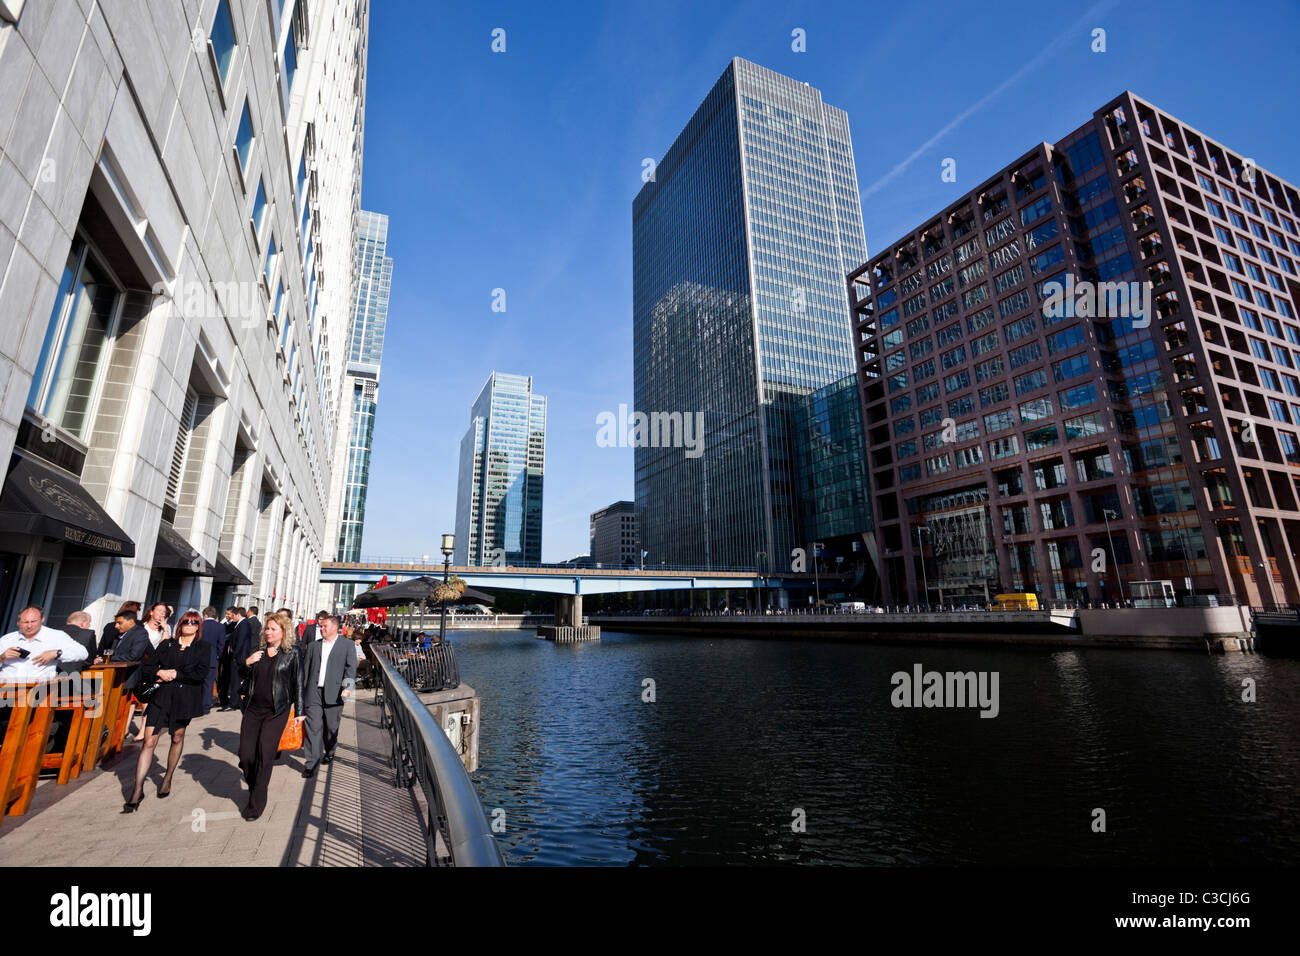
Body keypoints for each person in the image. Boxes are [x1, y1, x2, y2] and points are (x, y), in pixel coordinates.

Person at [122, 610, 209, 811]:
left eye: (194, 622)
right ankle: (137, 790)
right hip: (161, 698)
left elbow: (200, 673)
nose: (189, 624)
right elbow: (148, 666)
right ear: (180, 625)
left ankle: (168, 777)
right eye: (186, 621)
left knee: (177, 737)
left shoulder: (203, 648)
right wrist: (159, 671)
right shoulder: (167, 644)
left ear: (198, 627)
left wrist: (176, 674)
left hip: (184, 699)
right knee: (149, 740)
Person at [236, 612, 304, 820]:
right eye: (267, 629)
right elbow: (242, 675)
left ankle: (256, 804)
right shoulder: (258, 652)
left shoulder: (292, 654)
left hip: (277, 711)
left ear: (283, 632)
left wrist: (300, 712)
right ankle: (255, 782)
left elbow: (299, 683)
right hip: (252, 709)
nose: (268, 632)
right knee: (246, 755)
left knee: (265, 754)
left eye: (273, 629)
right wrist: (247, 663)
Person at [299, 613, 356, 778]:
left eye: (325, 626)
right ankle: (311, 764)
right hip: (313, 693)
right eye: (321, 626)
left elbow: (350, 668)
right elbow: (306, 669)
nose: (321, 628)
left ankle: (330, 750)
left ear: (335, 627)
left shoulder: (347, 645)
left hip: (336, 693)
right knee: (313, 729)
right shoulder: (313, 646)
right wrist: (301, 692)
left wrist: (348, 688)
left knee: (331, 728)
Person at [0, 605, 89, 682]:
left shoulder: (56, 636)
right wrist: (2, 657)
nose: (29, 626)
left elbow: (82, 653)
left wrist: (57, 653)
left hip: (38, 691)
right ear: (18, 623)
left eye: (33, 621)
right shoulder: (7, 639)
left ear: (42, 619)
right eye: (25, 622)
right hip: (5, 689)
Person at [199, 606, 227, 716]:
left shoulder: (200, 625)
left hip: (198, 657)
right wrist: (218, 656)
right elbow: (222, 644)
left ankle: (195, 704)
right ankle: (205, 707)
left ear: (205, 615)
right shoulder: (220, 627)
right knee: (208, 683)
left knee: (196, 682)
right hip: (211, 658)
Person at [219, 606, 245, 710]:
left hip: (235, 657)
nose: (229, 616)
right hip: (229, 656)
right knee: (228, 679)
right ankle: (229, 701)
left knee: (235, 681)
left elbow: (240, 641)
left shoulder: (241, 624)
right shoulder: (234, 624)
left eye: (231, 614)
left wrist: (235, 655)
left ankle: (234, 703)